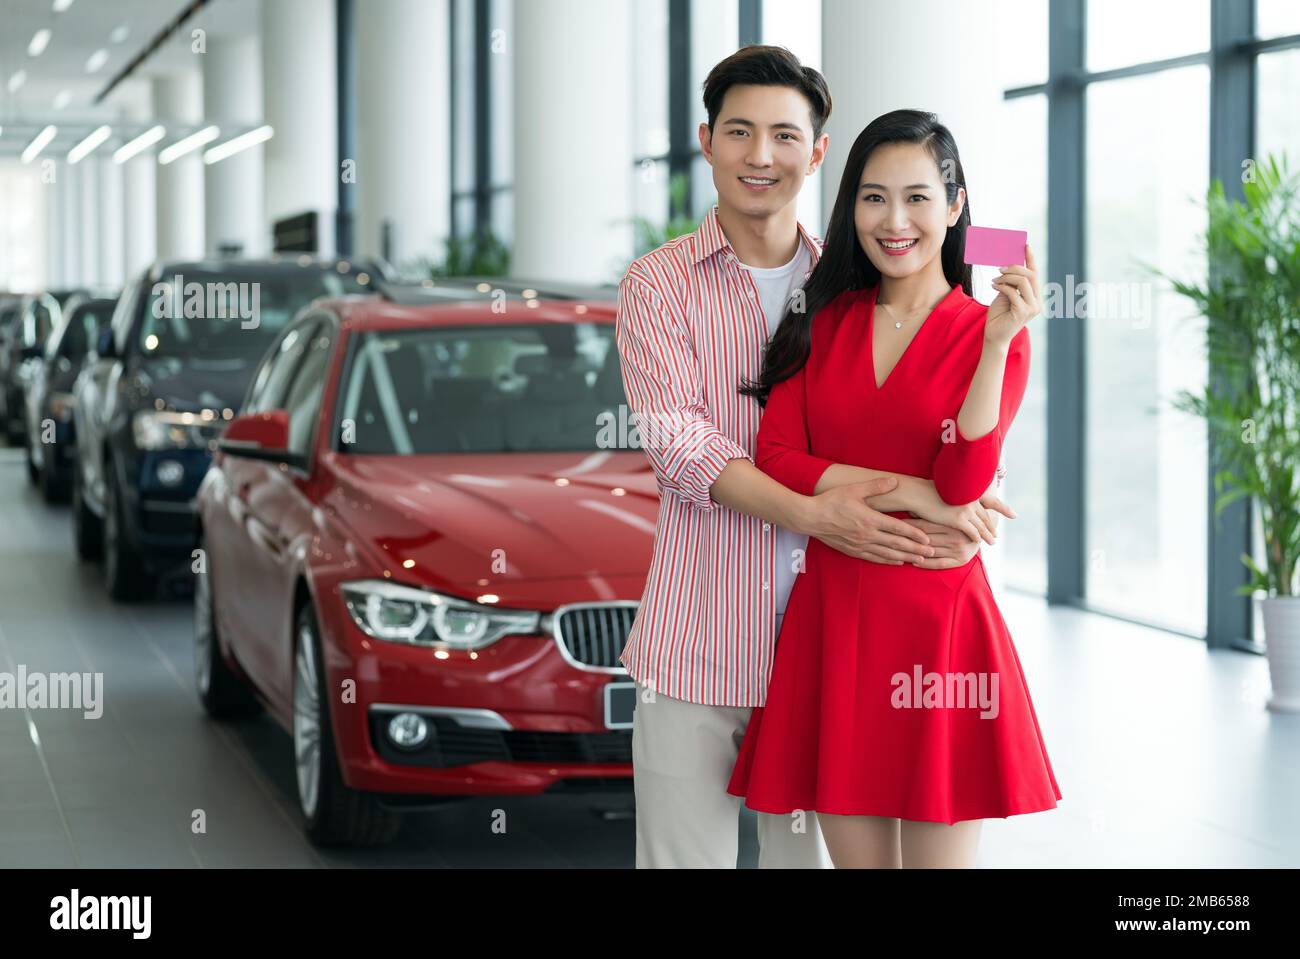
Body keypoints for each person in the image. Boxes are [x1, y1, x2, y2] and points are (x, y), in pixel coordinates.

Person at [615, 47, 1015, 869]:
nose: (761, 156)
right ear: (706, 140)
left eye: (783, 135)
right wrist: (837, 510)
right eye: (740, 132)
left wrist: (963, 484)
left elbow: (927, 415)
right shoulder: (658, 284)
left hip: (835, 646)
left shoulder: (846, 286)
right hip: (702, 639)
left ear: (817, 152)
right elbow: (680, 443)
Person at [725, 108, 1062, 868]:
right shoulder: (823, 318)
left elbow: (965, 478)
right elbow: (776, 455)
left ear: (955, 205)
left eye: (917, 196)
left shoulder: (991, 334)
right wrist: (912, 490)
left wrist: (999, 340)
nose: (894, 219)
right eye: (873, 197)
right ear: (852, 208)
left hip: (938, 625)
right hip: (838, 615)